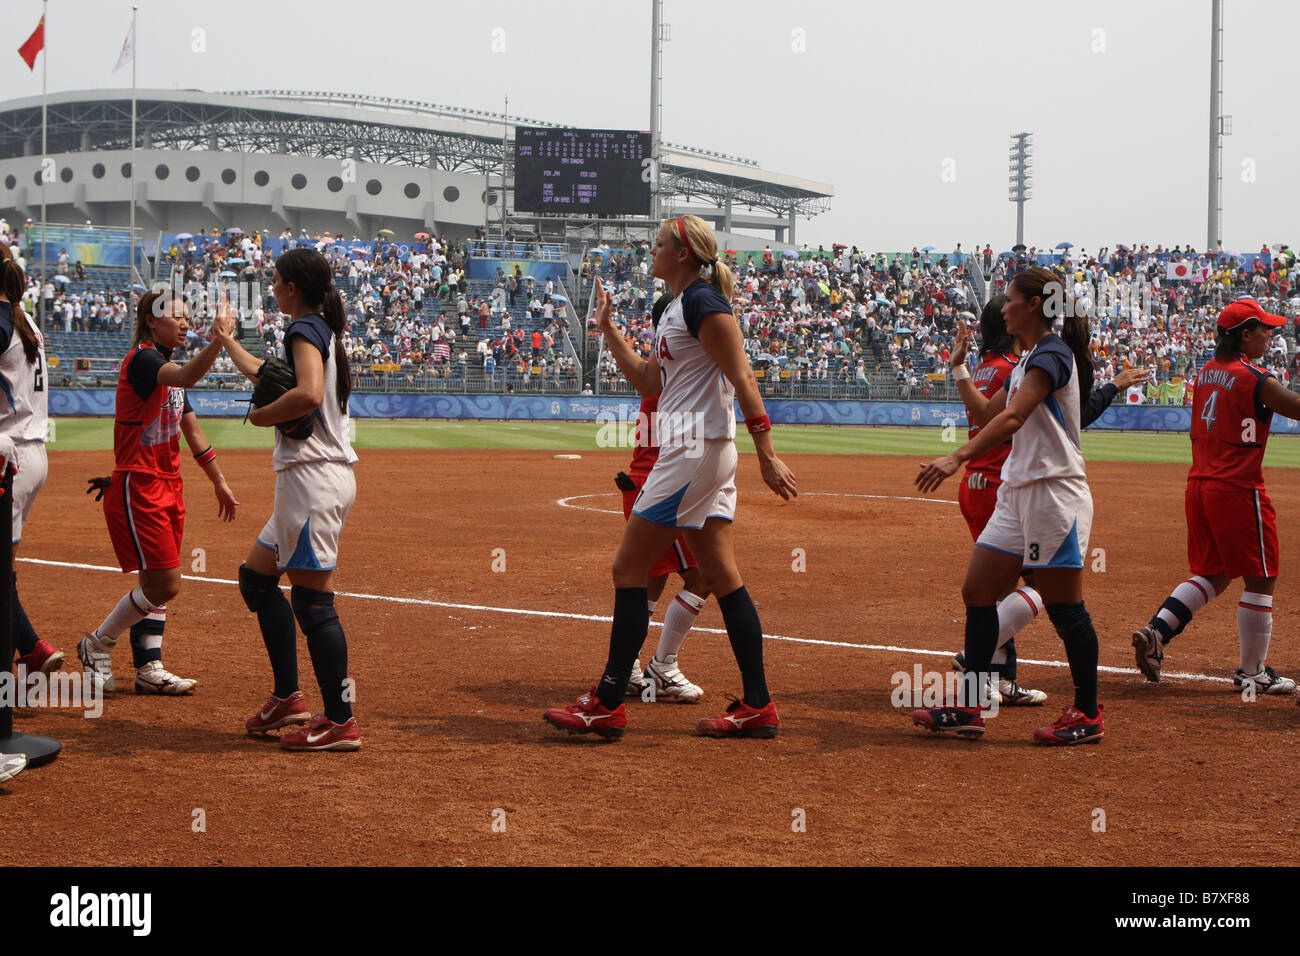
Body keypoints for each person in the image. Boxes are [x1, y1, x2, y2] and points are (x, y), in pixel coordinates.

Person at [543, 215, 797, 740]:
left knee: (628, 567)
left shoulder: (704, 302)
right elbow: (646, 382)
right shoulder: (677, 310)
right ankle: (758, 705)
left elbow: (742, 375)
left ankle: (609, 701)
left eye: (658, 244)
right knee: (722, 577)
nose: (650, 251)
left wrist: (768, 453)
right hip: (698, 451)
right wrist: (608, 329)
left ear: (683, 253)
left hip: (692, 451)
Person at [912, 267, 1104, 745]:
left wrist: (957, 455)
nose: (1004, 305)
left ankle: (1086, 712)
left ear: (1035, 305)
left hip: (1053, 493)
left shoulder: (1053, 355)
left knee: (1065, 607)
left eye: (1011, 298)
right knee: (978, 592)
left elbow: (1016, 417)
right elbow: (984, 415)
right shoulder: (1024, 362)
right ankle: (970, 706)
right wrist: (958, 367)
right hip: (1016, 493)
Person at [218, 248, 362, 752]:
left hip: (312, 481)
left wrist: (258, 419)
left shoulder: (303, 330)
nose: (273, 288)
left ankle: (340, 720)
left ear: (293, 288)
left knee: (313, 601)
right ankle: (288, 698)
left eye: (276, 281)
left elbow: (304, 392)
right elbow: (269, 376)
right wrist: (227, 342)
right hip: (312, 479)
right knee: (257, 581)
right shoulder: (320, 328)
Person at [1131, 297, 1300, 695]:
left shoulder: (1206, 372)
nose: (1269, 336)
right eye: (1264, 330)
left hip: (1200, 486)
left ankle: (1157, 631)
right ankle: (1252, 672)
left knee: (1215, 573)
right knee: (1262, 577)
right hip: (1238, 489)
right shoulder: (1256, 376)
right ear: (1245, 335)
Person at [78, 289, 239, 696]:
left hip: (169, 484)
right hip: (139, 482)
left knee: (154, 579)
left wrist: (218, 480)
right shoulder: (145, 361)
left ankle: (149, 666)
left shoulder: (164, 365)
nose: (185, 324)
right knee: (166, 584)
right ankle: (98, 641)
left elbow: (193, 431)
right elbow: (185, 376)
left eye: (187, 318)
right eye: (176, 317)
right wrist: (219, 339)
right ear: (151, 321)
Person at [620, 292, 711, 703]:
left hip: (650, 482)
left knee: (650, 581)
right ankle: (663, 665)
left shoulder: (663, 367)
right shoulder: (676, 371)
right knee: (704, 576)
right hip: (663, 487)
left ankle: (628, 667)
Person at [0, 244, 64, 685]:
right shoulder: (26, 320)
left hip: (9, 455)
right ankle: (28, 650)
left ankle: (31, 647)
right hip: (32, 453)